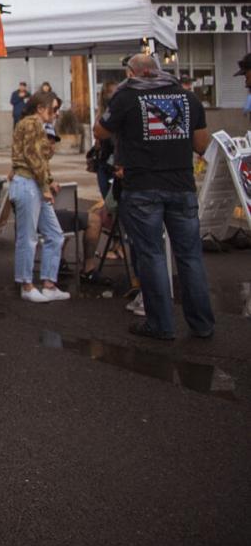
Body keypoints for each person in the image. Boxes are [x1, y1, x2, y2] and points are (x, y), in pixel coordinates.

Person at [94, 53, 214, 340]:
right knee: (190, 257)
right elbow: (201, 145)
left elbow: (100, 131)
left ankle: (161, 325)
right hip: (181, 186)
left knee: (152, 256)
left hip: (142, 187)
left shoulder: (127, 97)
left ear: (133, 73)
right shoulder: (188, 98)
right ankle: (202, 325)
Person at [10, 94, 70, 303]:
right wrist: (46, 185)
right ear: (41, 108)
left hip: (30, 183)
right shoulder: (33, 123)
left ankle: (46, 283)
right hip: (28, 184)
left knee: (53, 234)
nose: (56, 114)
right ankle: (27, 285)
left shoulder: (31, 123)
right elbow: (33, 156)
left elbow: (37, 158)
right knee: (31, 236)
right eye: (53, 109)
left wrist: (47, 181)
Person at [90, 80, 119, 199]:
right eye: (109, 92)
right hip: (104, 161)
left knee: (114, 200)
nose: (112, 95)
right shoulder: (104, 113)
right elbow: (96, 132)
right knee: (106, 196)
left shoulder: (120, 111)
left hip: (117, 161)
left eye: (115, 92)